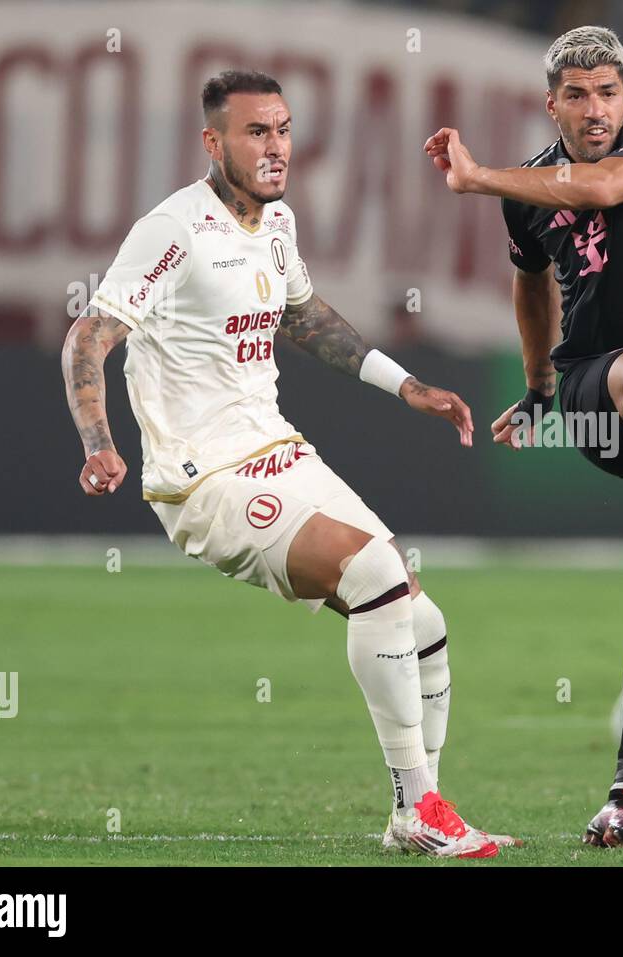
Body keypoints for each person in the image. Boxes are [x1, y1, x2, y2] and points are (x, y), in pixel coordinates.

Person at [61, 69, 517, 857]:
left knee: (423, 620)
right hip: (202, 476)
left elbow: (304, 315)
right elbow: (90, 336)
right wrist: (100, 444)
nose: (275, 148)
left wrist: (405, 384)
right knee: (374, 574)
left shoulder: (276, 223)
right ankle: (418, 808)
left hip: (277, 448)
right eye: (255, 132)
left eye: (283, 129)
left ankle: (420, 810)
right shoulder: (174, 229)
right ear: (214, 142)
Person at [425, 25, 623, 847]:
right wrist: (534, 386)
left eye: (608, 91)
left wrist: (477, 175)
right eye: (578, 94)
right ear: (551, 102)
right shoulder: (526, 187)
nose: (595, 107)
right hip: (600, 388)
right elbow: (531, 284)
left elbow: (602, 190)